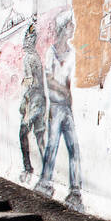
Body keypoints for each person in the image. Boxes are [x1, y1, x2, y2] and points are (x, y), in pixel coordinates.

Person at [35, 12, 83, 209]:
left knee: (74, 148)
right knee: (52, 146)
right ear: (63, 28)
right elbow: (49, 80)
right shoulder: (51, 52)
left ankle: (75, 190)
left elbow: (70, 80)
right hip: (56, 106)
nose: (73, 28)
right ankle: (45, 182)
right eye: (70, 25)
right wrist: (63, 91)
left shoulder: (72, 53)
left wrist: (69, 96)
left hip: (66, 107)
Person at [17, 22, 47, 177]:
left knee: (23, 134)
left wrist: (22, 83)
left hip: (33, 100)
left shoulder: (29, 58)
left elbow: (30, 81)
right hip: (40, 99)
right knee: (40, 136)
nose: (26, 41)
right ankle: (47, 168)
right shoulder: (36, 57)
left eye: (28, 38)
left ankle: (28, 166)